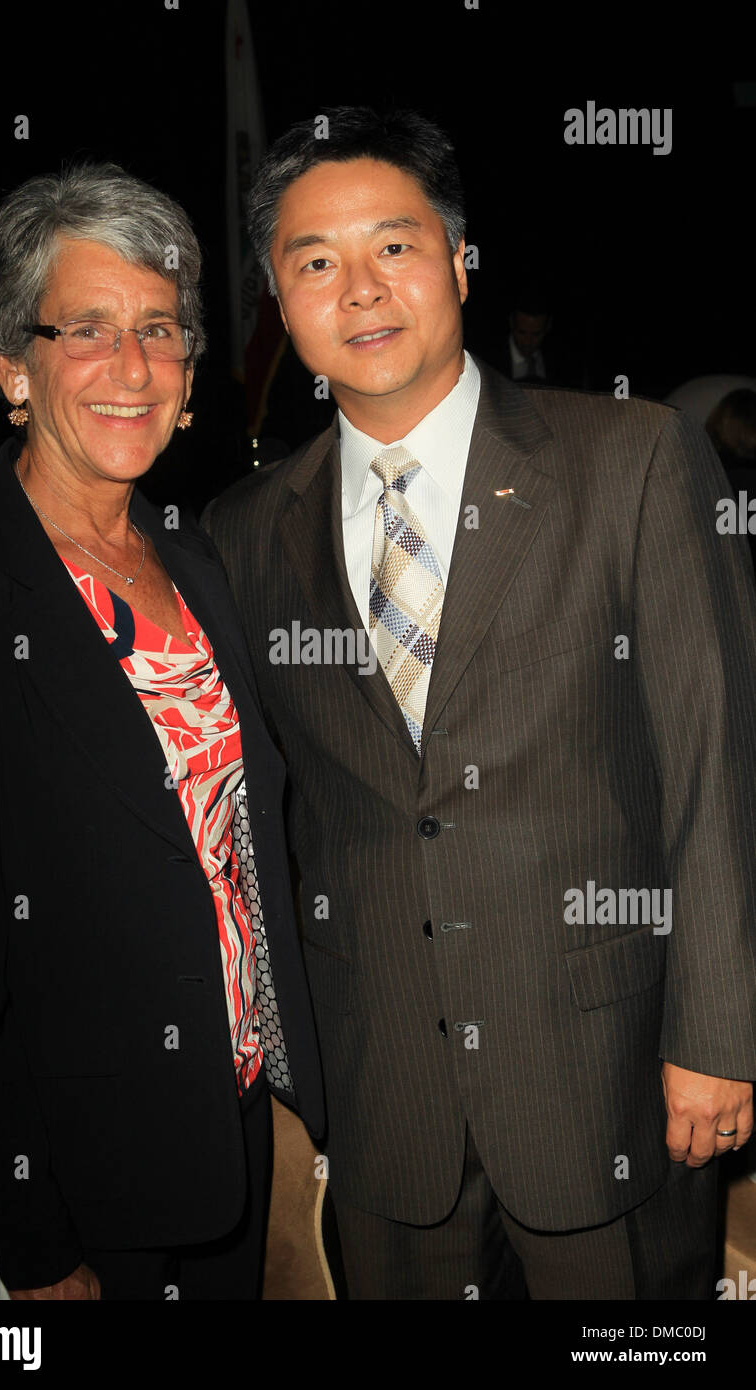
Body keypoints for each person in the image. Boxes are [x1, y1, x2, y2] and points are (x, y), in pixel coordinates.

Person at [202, 106, 756, 1300]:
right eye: (314, 263)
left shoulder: (633, 459)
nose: (358, 289)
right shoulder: (242, 533)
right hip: (382, 1086)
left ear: (458, 259)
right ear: (279, 303)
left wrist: (714, 1035)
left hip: (610, 1066)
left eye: (392, 246)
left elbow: (717, 762)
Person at [0, 162, 323, 1300]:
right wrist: (37, 1245)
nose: (131, 368)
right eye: (87, 329)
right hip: (89, 1194)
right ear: (11, 367)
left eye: (160, 330)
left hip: (238, 1135)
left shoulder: (198, 563)